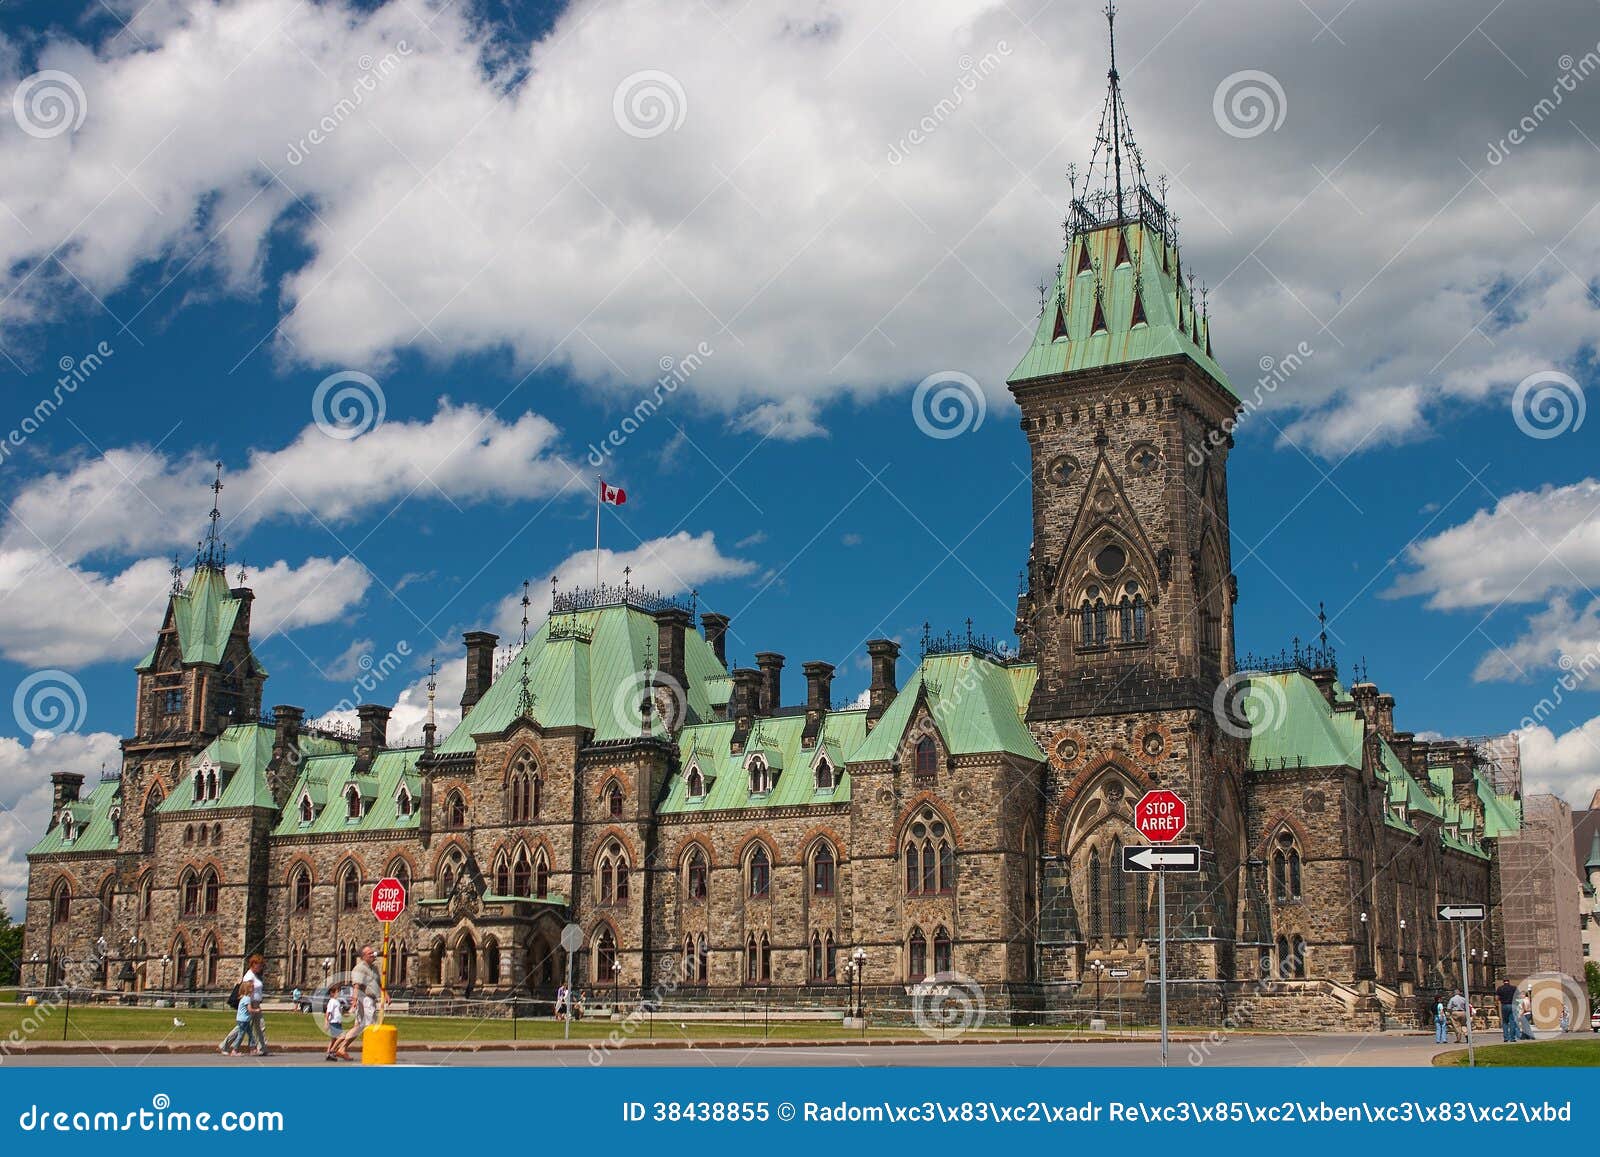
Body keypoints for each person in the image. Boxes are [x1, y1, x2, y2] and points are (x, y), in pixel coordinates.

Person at [332, 945, 380, 1061]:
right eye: (370, 953)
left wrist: (386, 994)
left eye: (373, 952)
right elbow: (356, 986)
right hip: (365, 999)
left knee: (358, 1027)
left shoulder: (374, 968)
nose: (373, 954)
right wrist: (354, 1001)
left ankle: (341, 1049)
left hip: (371, 999)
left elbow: (378, 983)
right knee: (370, 1025)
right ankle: (372, 1051)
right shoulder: (359, 968)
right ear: (364, 957)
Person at [219, 975, 255, 1055]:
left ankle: (252, 1048)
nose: (253, 989)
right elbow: (249, 1009)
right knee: (240, 1035)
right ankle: (234, 1050)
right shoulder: (246, 998)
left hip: (243, 1019)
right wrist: (256, 1010)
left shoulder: (244, 997)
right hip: (243, 1020)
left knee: (250, 1033)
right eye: (252, 987)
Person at [244, 954, 270, 1057]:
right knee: (242, 1026)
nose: (261, 967)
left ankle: (262, 1048)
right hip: (251, 1003)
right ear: (253, 964)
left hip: (256, 1003)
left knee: (260, 1026)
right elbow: (247, 991)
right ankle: (226, 1044)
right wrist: (250, 1006)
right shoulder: (249, 976)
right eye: (259, 965)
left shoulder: (254, 975)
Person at [324, 987, 345, 1061]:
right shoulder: (332, 1001)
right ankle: (332, 1051)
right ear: (332, 993)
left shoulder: (336, 1001)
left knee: (333, 1040)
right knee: (342, 1037)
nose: (338, 993)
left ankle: (328, 1054)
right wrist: (326, 1022)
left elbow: (338, 1012)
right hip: (334, 1022)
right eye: (337, 992)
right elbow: (328, 1012)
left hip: (337, 1022)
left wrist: (344, 1015)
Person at [1496, 978, 1519, 1042]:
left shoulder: (1500, 988)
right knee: (1512, 1022)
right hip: (1512, 1005)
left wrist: (1498, 1002)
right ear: (1509, 981)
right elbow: (1517, 997)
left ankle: (1506, 1038)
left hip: (1504, 1005)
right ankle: (1512, 1038)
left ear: (1503, 982)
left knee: (1505, 1022)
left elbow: (1497, 998)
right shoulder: (1514, 988)